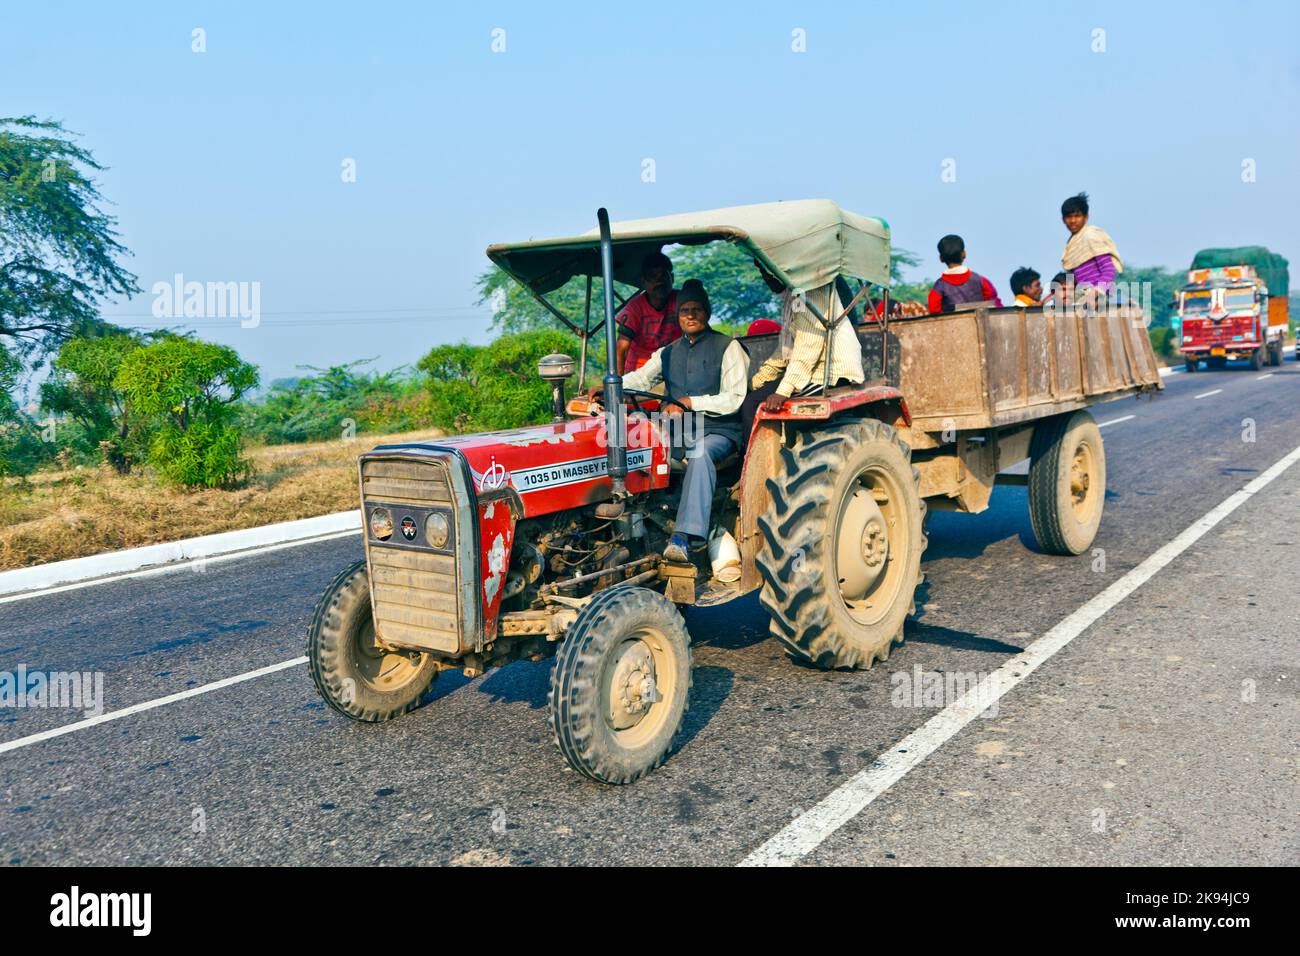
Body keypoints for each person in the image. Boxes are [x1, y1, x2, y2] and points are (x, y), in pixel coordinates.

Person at [592, 279, 748, 563]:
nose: (690, 315)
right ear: (678, 315)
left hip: (718, 431)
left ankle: (683, 538)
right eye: (685, 309)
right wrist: (609, 389)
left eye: (697, 309)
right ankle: (629, 531)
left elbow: (734, 397)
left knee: (699, 455)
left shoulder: (728, 347)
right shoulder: (668, 351)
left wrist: (691, 402)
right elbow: (641, 378)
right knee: (630, 444)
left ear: (707, 312)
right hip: (679, 431)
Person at [742, 261, 865, 441]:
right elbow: (785, 352)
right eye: (763, 272)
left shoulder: (809, 292)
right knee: (750, 398)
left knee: (753, 405)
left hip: (830, 373)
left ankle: (754, 463)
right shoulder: (792, 296)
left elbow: (808, 347)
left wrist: (783, 391)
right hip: (811, 369)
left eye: (769, 271)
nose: (767, 278)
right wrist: (752, 384)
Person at [616, 251, 680, 373]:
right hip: (640, 371)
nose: (659, 282)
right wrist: (618, 385)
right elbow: (621, 348)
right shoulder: (635, 308)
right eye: (653, 277)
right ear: (643, 282)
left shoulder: (681, 300)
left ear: (671, 278)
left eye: (663, 276)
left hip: (674, 368)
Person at [1059, 192, 1123, 302]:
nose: (1073, 220)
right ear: (1063, 219)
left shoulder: (1091, 235)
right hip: (1082, 297)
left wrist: (1096, 292)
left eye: (1077, 216)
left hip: (1099, 298)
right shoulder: (1071, 244)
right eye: (1069, 217)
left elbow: (1108, 270)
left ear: (1086, 217)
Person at [927, 235, 1003, 313]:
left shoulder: (939, 287)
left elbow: (934, 311)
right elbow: (995, 304)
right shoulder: (981, 281)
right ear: (964, 254)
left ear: (941, 258)